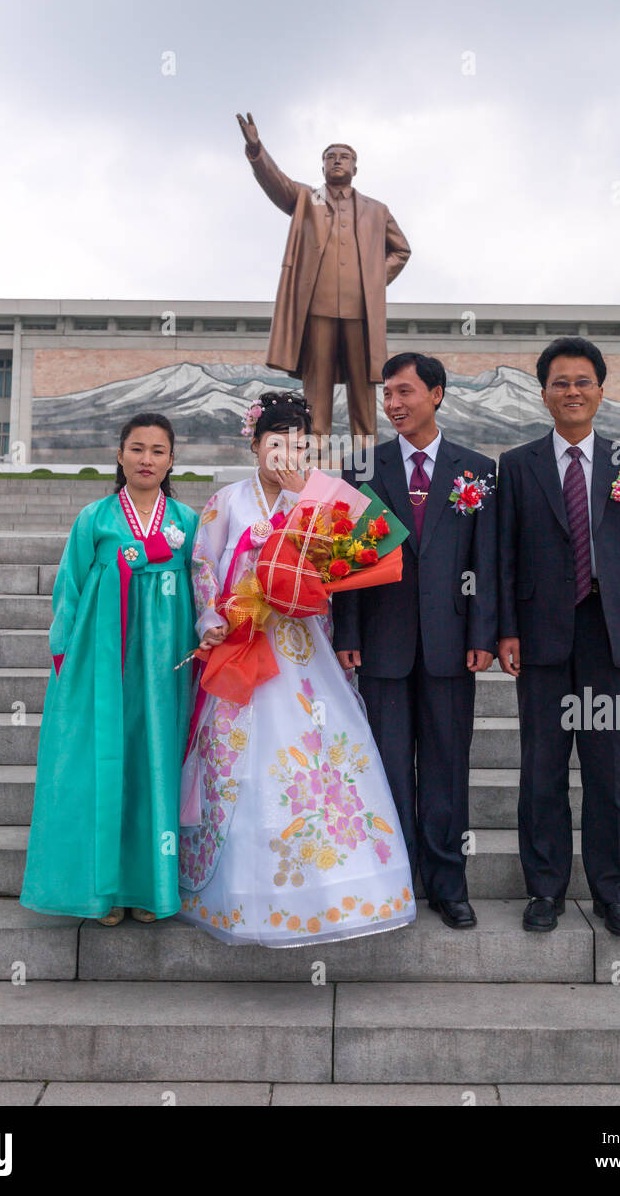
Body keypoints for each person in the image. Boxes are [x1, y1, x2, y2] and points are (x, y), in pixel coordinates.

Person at [177, 390, 416, 946]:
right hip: (243, 645)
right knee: (240, 762)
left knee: (317, 758)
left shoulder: (321, 498)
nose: (286, 452)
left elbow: (345, 564)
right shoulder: (226, 502)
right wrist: (212, 615)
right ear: (255, 444)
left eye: (298, 443)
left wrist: (303, 508)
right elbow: (204, 566)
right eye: (275, 441)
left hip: (303, 646)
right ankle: (238, 896)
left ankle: (337, 889)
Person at [497, 337, 620, 938]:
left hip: (608, 633)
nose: (572, 392)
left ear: (601, 389)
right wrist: (506, 630)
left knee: (607, 770)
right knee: (541, 767)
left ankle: (613, 891)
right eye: (560, 382)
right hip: (541, 636)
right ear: (543, 392)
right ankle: (544, 888)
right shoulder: (517, 465)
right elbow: (503, 556)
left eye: (582, 381)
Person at [332, 353, 499, 930]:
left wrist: (484, 633)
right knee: (388, 767)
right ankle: (394, 877)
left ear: (437, 394)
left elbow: (488, 561)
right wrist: (348, 631)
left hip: (454, 644)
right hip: (382, 643)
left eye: (405, 392)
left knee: (448, 766)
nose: (394, 405)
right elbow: (347, 559)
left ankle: (448, 882)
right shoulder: (360, 467)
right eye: (387, 395)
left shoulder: (475, 470)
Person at [20, 413, 199, 925]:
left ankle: (149, 887)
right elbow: (69, 591)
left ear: (171, 460)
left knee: (154, 763)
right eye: (137, 449)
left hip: (165, 668)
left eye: (158, 451)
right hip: (104, 660)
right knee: (105, 766)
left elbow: (202, 589)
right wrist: (65, 655)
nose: (147, 459)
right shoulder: (95, 519)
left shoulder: (186, 522)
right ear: (119, 456)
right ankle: (103, 889)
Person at [236, 111, 411, 441]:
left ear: (355, 168)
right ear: (322, 167)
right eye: (330, 157)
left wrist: (374, 280)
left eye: (344, 157)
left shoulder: (377, 209)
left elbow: (401, 250)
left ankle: (366, 451)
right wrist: (257, 150)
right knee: (316, 387)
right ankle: (314, 451)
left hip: (361, 312)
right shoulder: (307, 198)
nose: (337, 161)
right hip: (317, 309)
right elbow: (278, 183)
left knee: (363, 385)